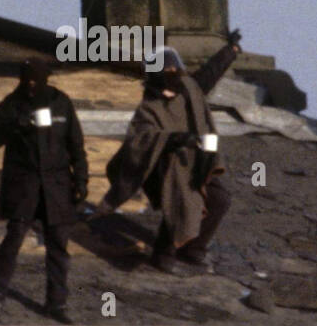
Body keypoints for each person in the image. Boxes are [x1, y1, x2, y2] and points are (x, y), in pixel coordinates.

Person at [94, 30, 242, 274]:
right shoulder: (149, 108)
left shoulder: (189, 91)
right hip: (159, 170)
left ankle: (193, 249)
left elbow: (209, 74)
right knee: (182, 198)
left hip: (192, 165)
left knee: (219, 199)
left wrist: (231, 50)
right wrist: (176, 139)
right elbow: (142, 140)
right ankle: (164, 254)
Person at [0, 59, 89, 323]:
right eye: (26, 80)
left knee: (58, 247)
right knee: (14, 238)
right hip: (25, 185)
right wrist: (16, 124)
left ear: (46, 79)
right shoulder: (12, 103)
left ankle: (56, 303)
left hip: (57, 187)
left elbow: (76, 144)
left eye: (36, 80)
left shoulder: (61, 102)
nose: (31, 85)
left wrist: (82, 180)